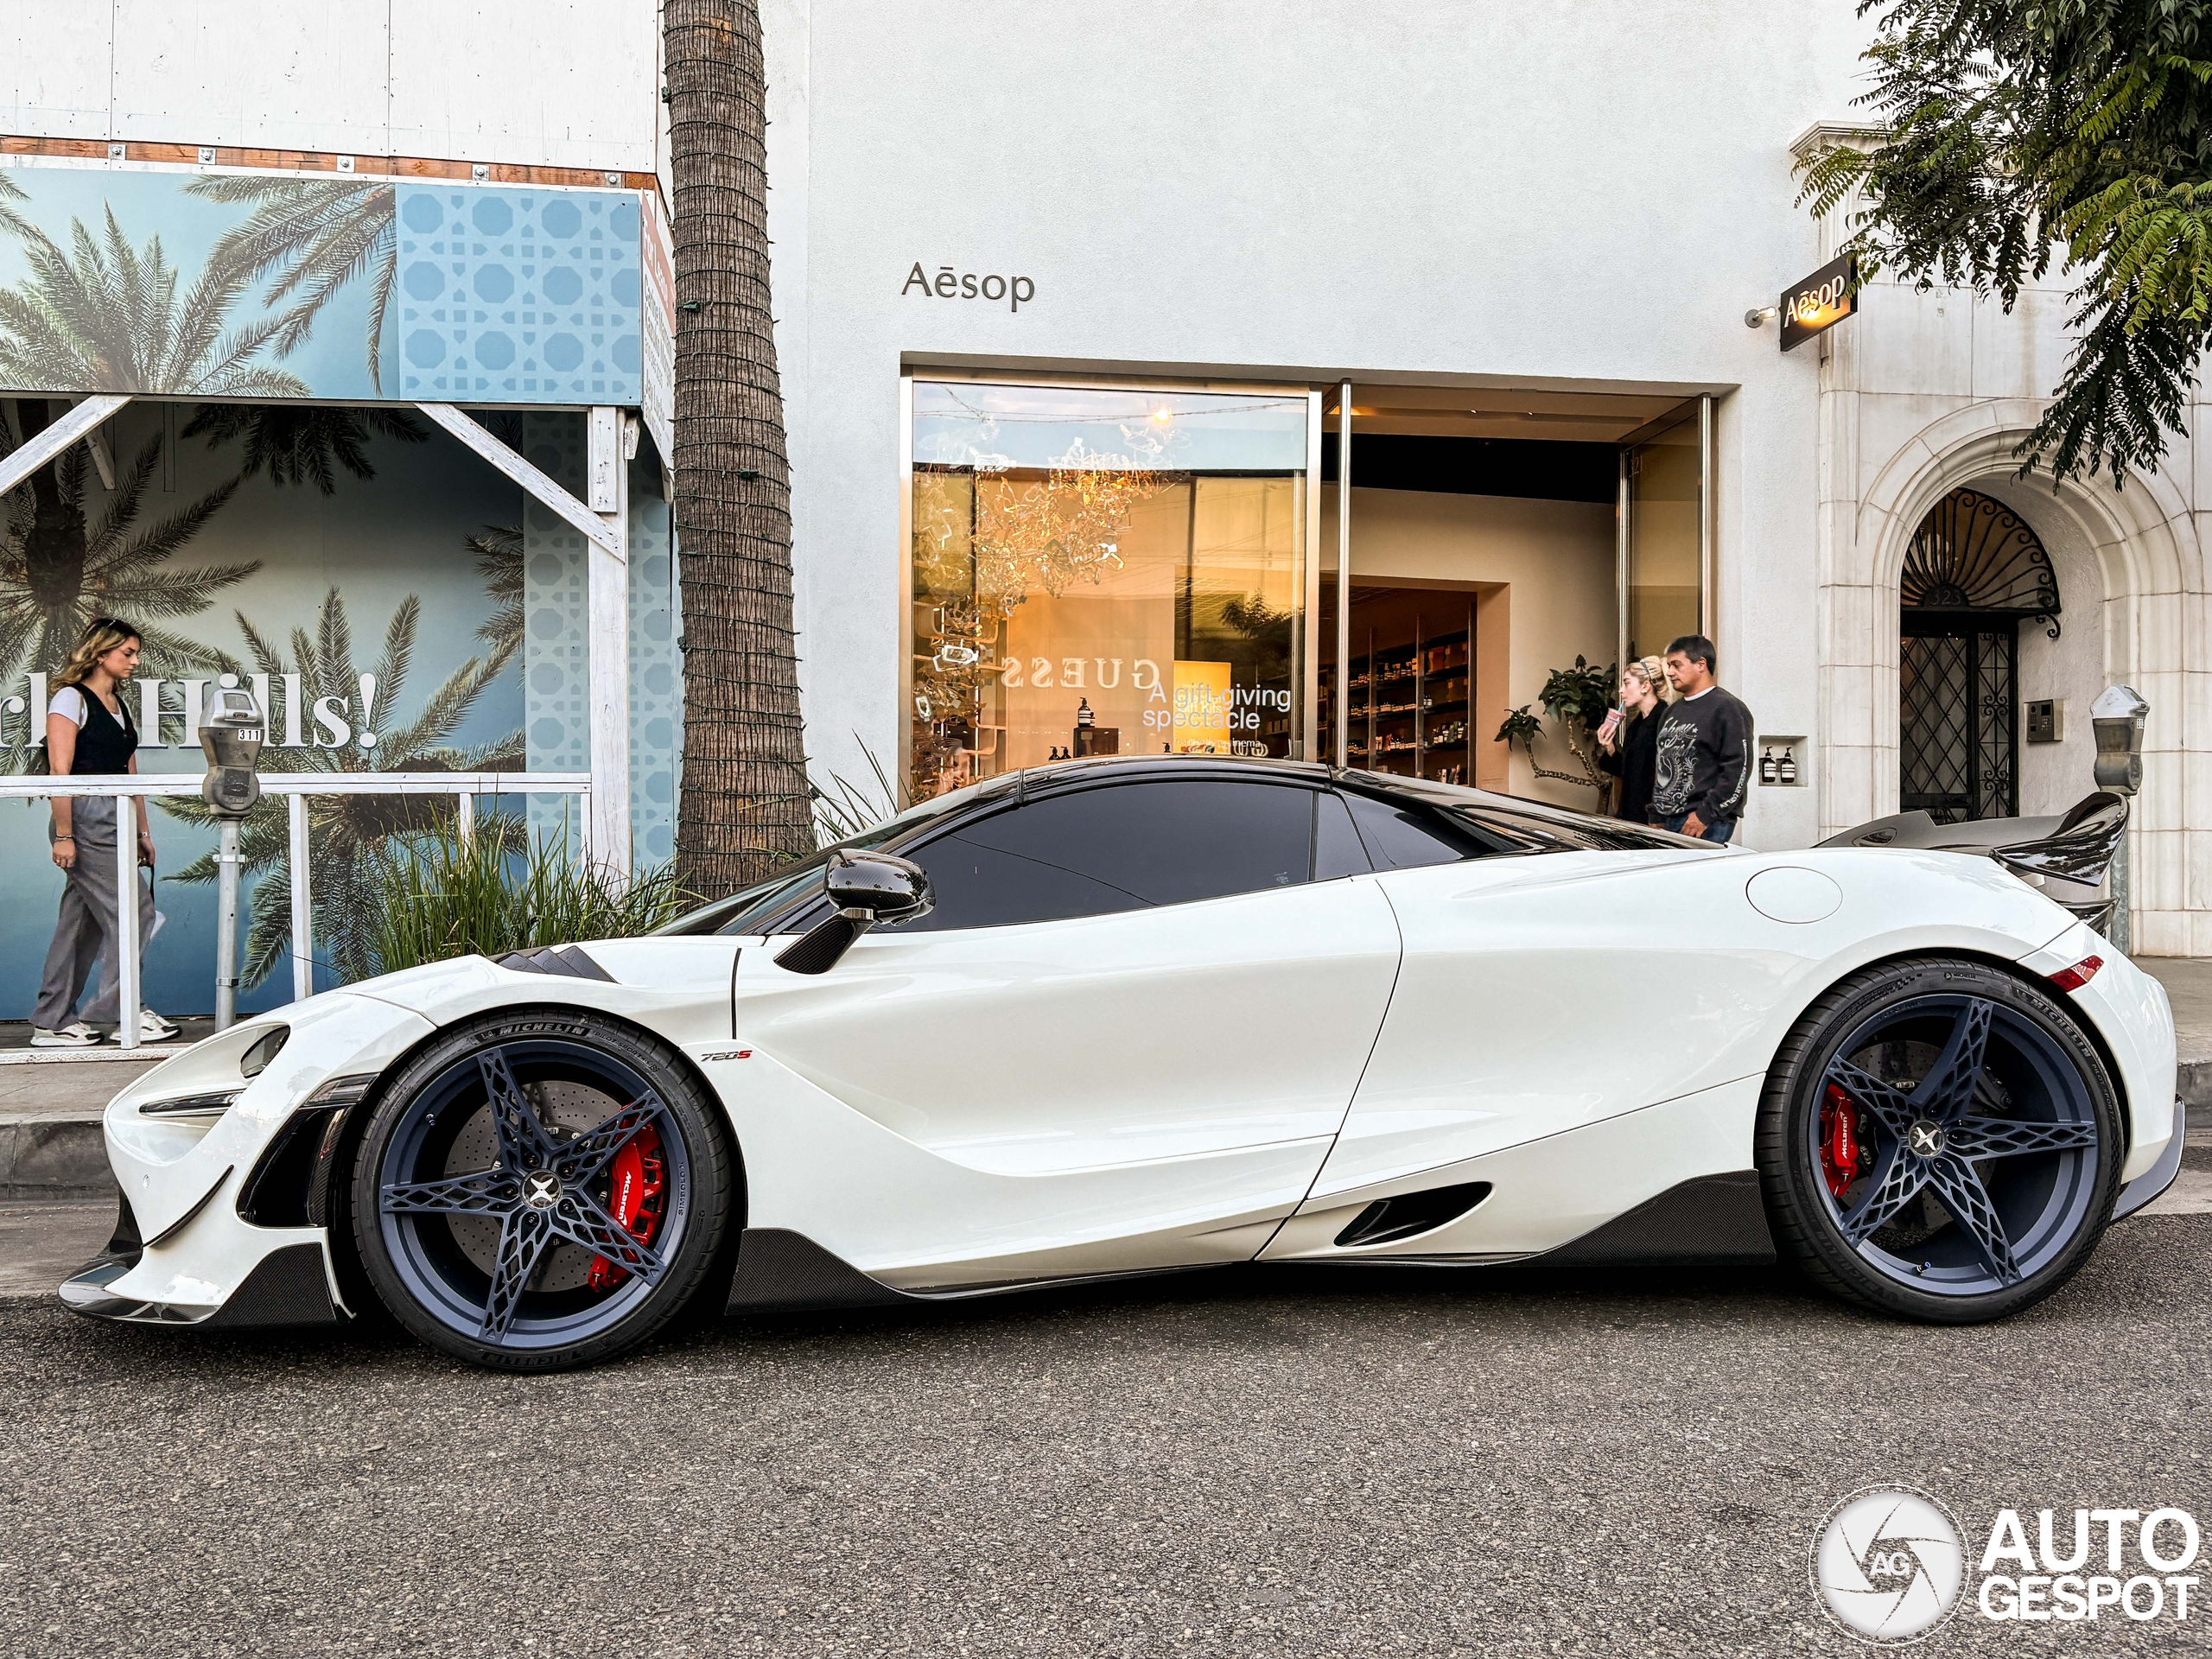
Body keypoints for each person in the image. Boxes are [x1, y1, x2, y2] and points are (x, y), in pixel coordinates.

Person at [30, 618, 177, 1047]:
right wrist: (64, 835)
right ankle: (120, 1011)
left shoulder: (116, 702)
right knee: (135, 911)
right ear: (100, 653)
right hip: (84, 819)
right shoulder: (69, 700)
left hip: (117, 818)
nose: (135, 661)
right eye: (127, 653)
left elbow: (129, 771)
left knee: (81, 925)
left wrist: (142, 831)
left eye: (135, 653)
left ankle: (52, 1020)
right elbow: (61, 774)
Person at [1647, 633, 1751, 843]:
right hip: (1667, 822)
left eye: (1676, 665)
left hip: (1705, 822)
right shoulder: (1671, 712)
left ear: (1701, 664)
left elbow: (1738, 768)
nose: (1670, 672)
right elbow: (1660, 764)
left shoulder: (1728, 708)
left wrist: (1705, 815)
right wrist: (1655, 813)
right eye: (1668, 665)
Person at [1595, 655, 1668, 823]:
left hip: (1653, 819)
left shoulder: (1665, 720)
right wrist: (1610, 749)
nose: (1621, 690)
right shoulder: (1635, 726)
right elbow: (1629, 771)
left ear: (1645, 685)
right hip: (1631, 815)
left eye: (1627, 683)